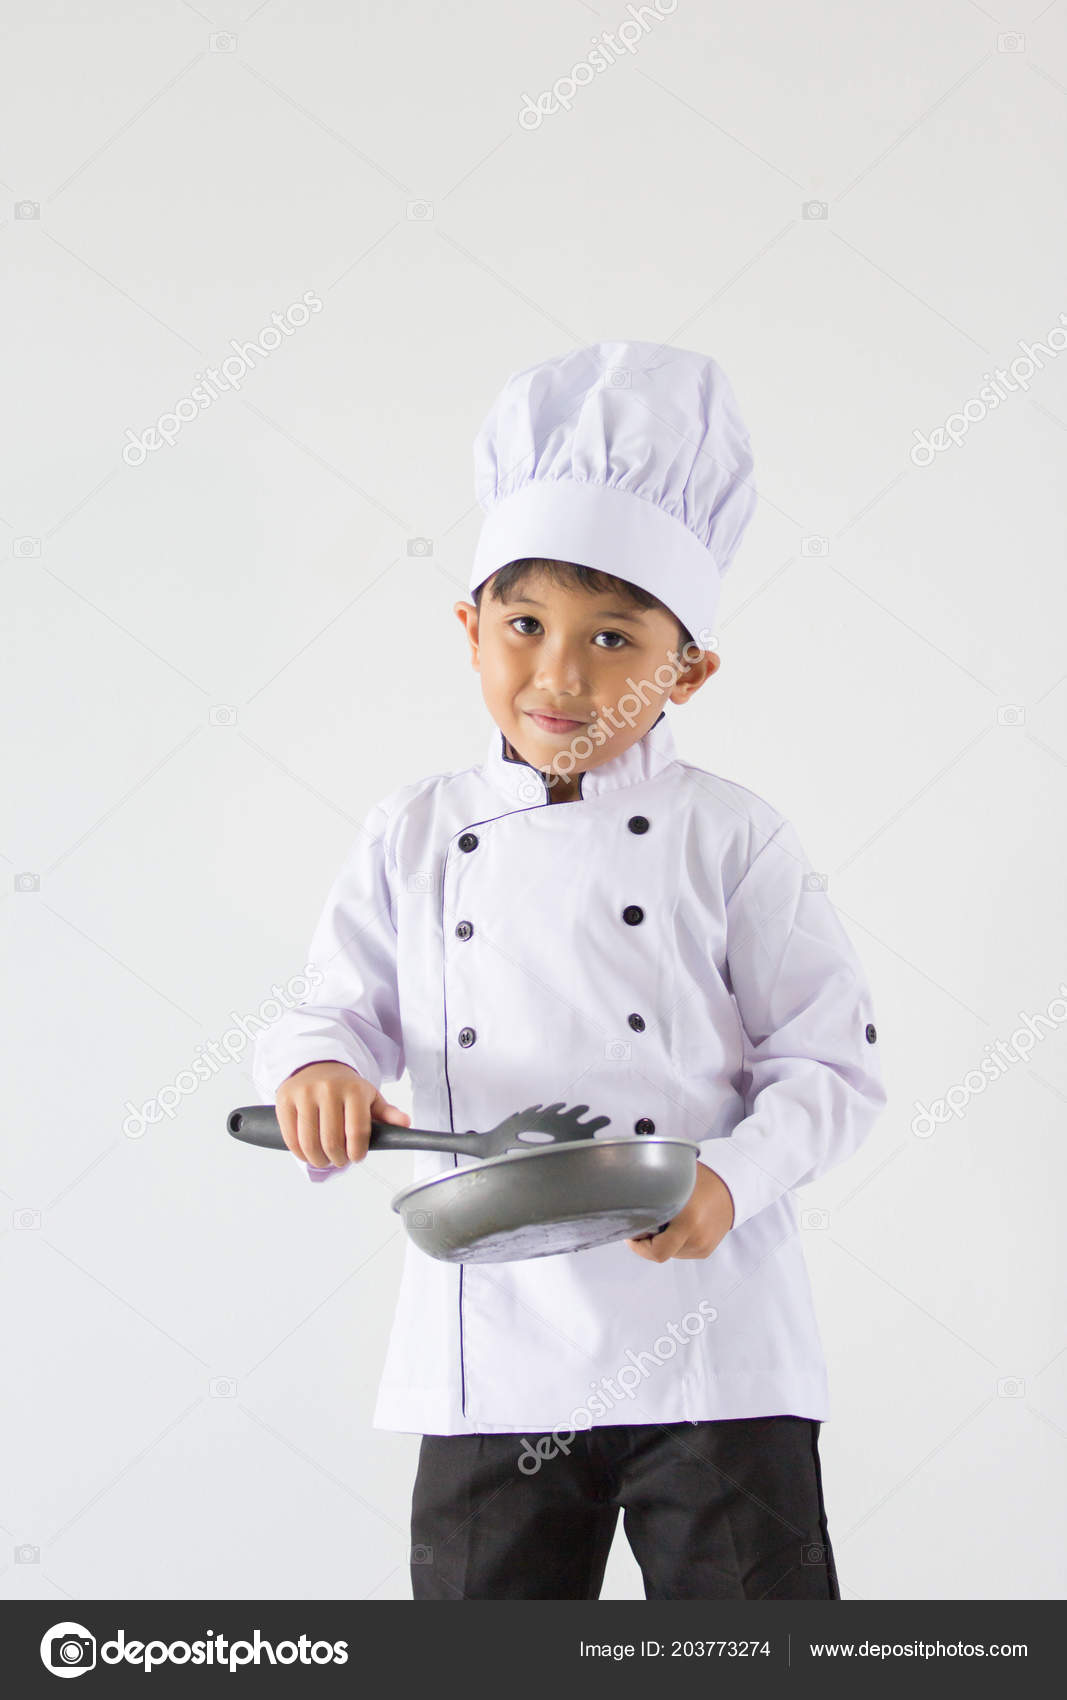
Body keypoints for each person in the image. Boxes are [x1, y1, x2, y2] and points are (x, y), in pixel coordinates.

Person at [250, 340, 887, 1601]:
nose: (558, 674)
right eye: (524, 623)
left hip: (714, 1335)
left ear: (687, 670)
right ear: (467, 622)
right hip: (494, 1344)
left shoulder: (730, 832)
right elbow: (331, 1006)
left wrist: (731, 1178)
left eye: (612, 638)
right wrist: (315, 1067)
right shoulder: (412, 829)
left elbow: (829, 1061)